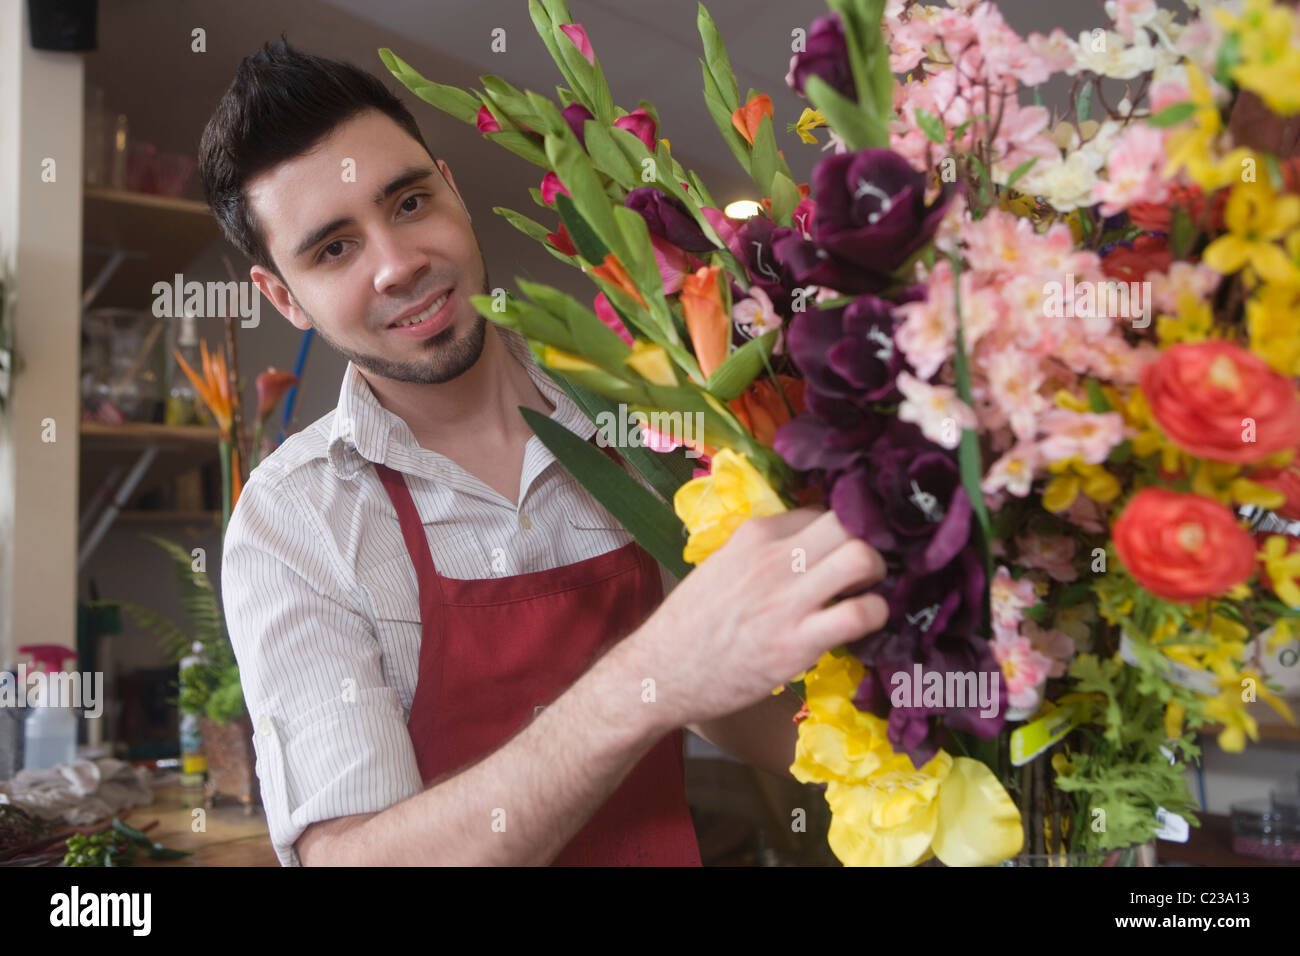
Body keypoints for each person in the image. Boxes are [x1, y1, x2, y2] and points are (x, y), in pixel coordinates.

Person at [204, 38, 888, 866]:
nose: (399, 265)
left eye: (410, 202)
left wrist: (919, 760)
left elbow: (721, 699)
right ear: (283, 297)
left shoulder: (650, 406)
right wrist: (648, 680)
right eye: (333, 249)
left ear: (451, 189)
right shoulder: (293, 522)